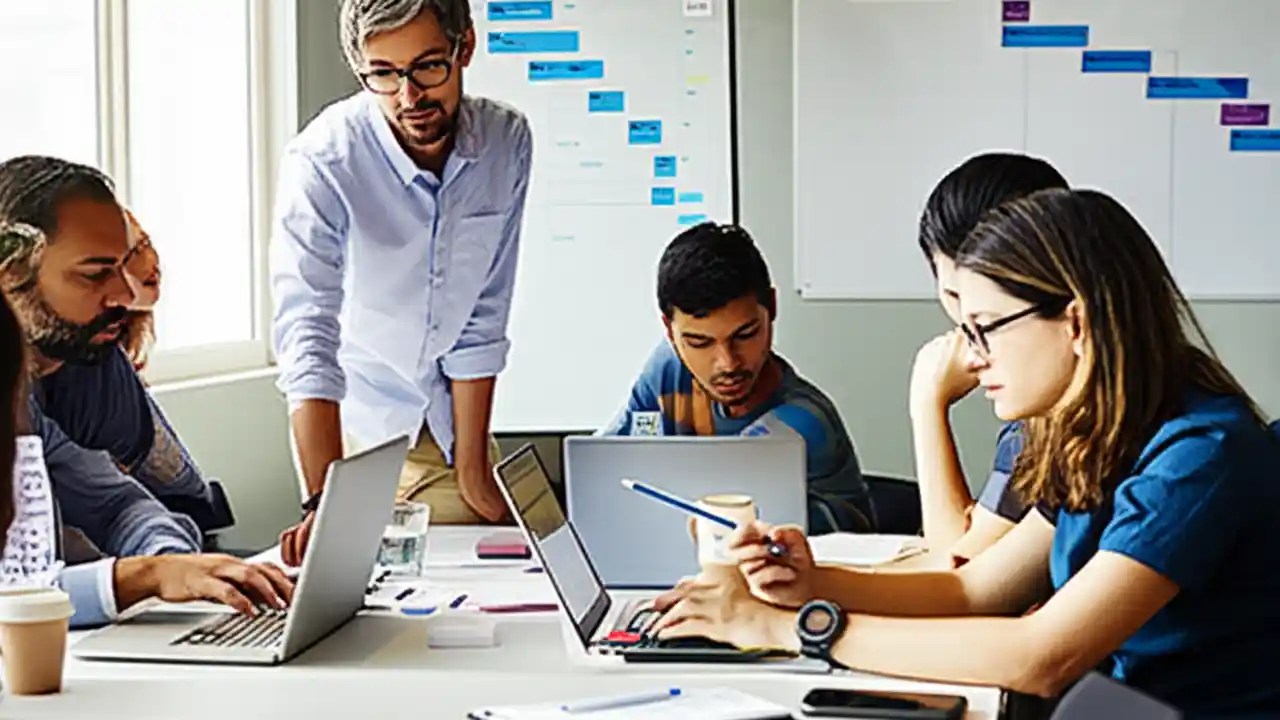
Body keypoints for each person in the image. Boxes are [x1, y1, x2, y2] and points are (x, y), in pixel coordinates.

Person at [652, 189, 1280, 716]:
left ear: (1077, 323)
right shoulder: (1095, 428)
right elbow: (977, 590)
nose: (971, 356)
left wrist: (786, 628)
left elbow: (1043, 658)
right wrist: (809, 583)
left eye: (986, 328)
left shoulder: (1200, 454)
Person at [271, 0, 532, 565]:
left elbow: (485, 311)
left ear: (465, 46)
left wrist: (473, 469)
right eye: (383, 74)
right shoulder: (323, 161)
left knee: (496, 577)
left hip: (449, 426)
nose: (408, 96)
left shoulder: (505, 141)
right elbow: (308, 333)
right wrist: (322, 499)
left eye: (427, 67)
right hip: (356, 432)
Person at [0, 279, 292, 627]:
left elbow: (117, 505)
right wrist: (146, 577)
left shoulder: (26, 413)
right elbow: (14, 596)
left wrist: (178, 567)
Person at [0, 156, 225, 534]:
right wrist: (129, 578)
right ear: (9, 274)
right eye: (96, 274)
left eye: (124, 266)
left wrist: (165, 562)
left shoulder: (90, 361)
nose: (125, 293)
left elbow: (120, 504)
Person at [602, 222, 872, 534]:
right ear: (669, 330)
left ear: (771, 307)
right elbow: (603, 470)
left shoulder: (802, 421)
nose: (727, 364)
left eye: (745, 335)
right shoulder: (666, 371)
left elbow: (728, 531)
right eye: (699, 343)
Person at [909, 153, 1067, 562]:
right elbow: (973, 581)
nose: (972, 331)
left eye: (992, 314)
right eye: (955, 298)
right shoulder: (1041, 419)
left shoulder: (1186, 444)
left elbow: (959, 565)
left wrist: (927, 402)